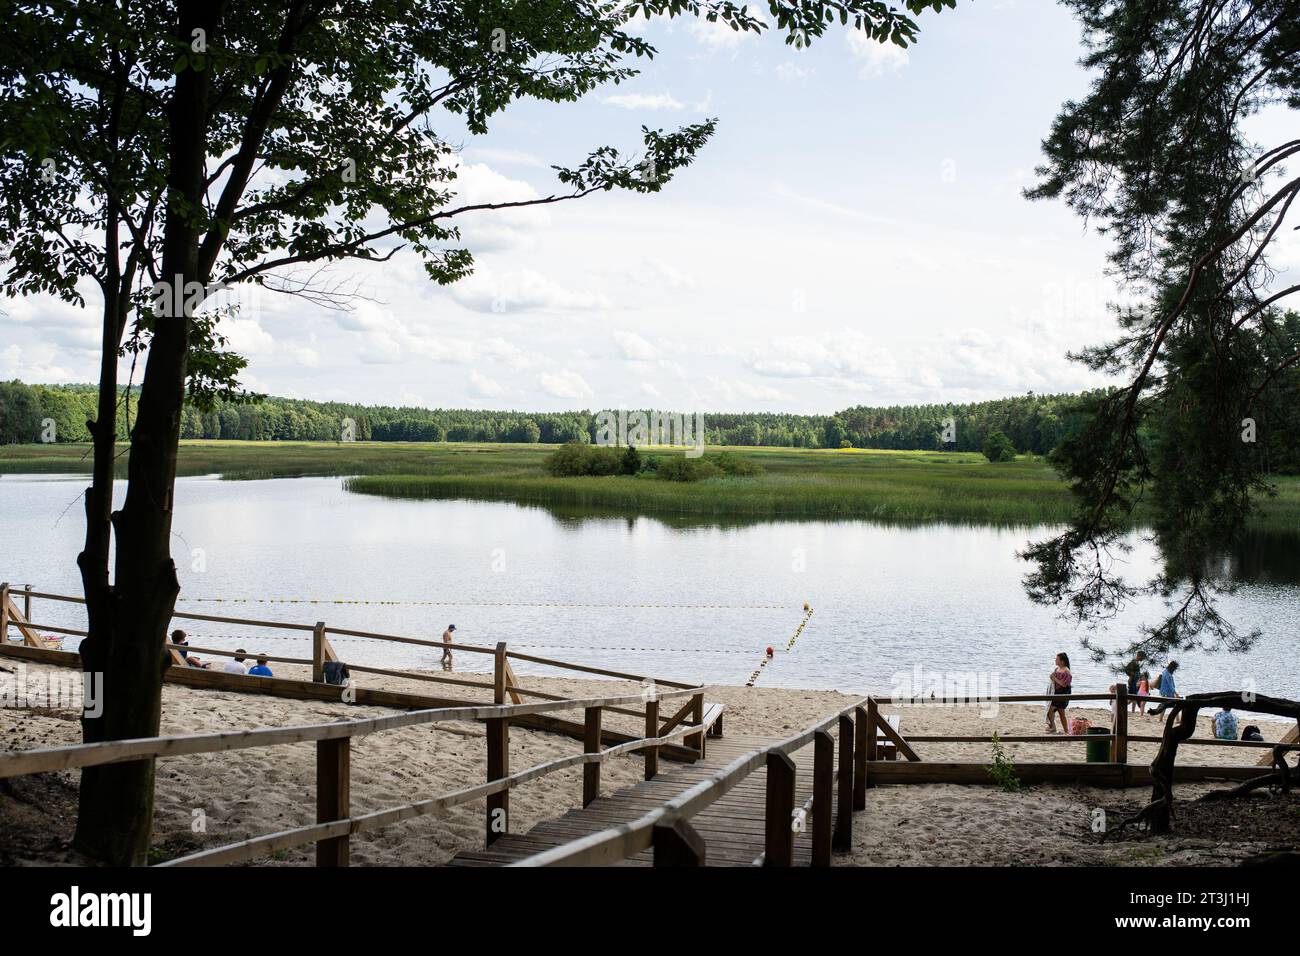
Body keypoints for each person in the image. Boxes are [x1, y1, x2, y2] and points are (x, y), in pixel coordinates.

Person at [1046, 652, 1072, 734]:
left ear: (1062, 661)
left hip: (1063, 692)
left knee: (1061, 712)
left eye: (1057, 659)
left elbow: (1064, 684)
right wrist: (1052, 677)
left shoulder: (1067, 671)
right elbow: (1054, 680)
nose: (1055, 660)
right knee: (1049, 709)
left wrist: (1054, 678)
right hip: (1055, 692)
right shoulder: (1057, 669)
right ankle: (1053, 726)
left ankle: (1066, 731)